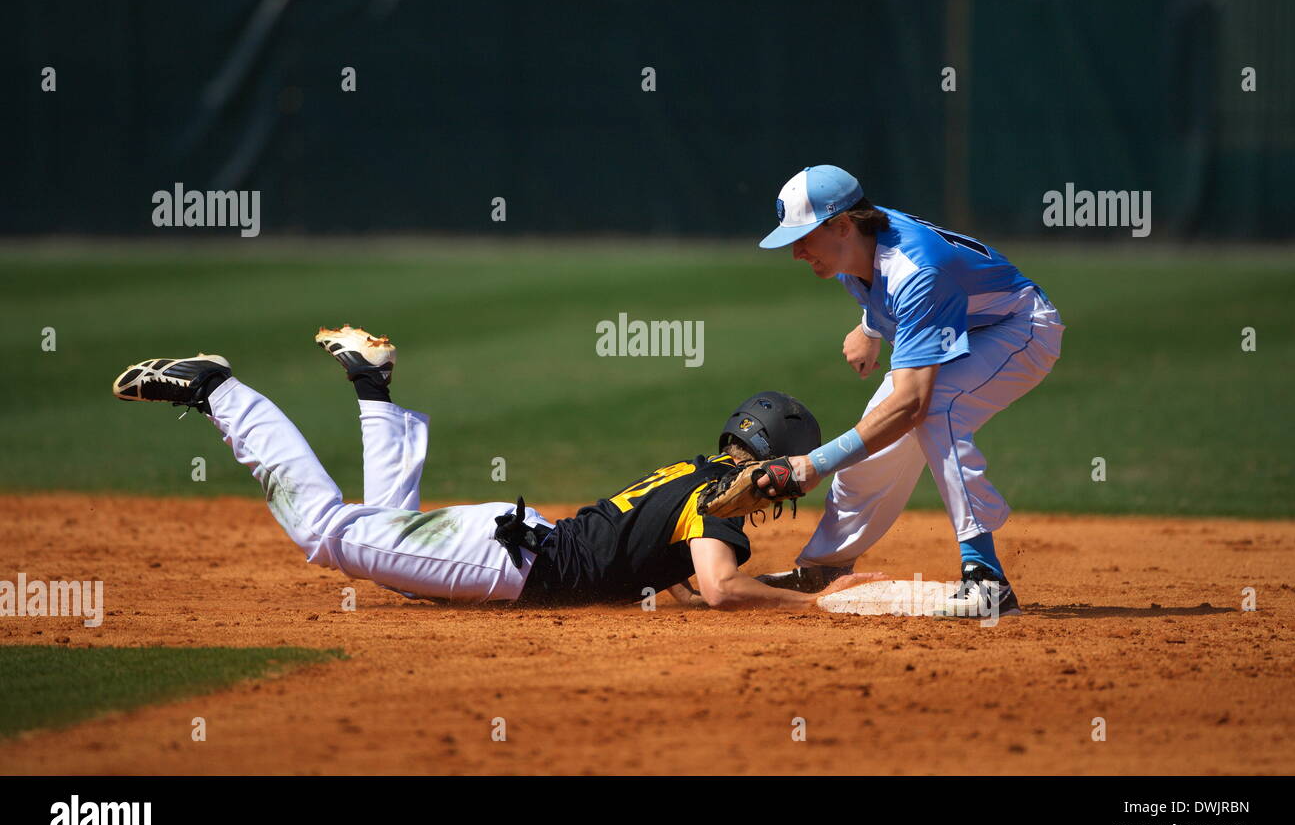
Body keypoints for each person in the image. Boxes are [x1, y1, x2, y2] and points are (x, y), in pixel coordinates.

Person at [111, 326, 859, 609]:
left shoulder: (692, 473)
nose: (771, 502)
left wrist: (784, 579)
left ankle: (373, 385)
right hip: (509, 562)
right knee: (329, 535)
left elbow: (694, 586)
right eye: (778, 485)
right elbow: (721, 590)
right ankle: (218, 390)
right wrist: (806, 601)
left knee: (380, 533)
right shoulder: (713, 505)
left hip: (515, 545)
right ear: (768, 466)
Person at [755, 165, 1065, 617]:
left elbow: (912, 404)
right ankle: (825, 568)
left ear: (842, 225)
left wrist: (813, 464)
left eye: (803, 237)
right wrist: (870, 329)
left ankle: (987, 579)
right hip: (960, 325)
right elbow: (884, 290)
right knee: (875, 436)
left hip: (1017, 330)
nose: (797, 252)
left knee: (936, 409)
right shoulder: (853, 244)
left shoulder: (916, 270)